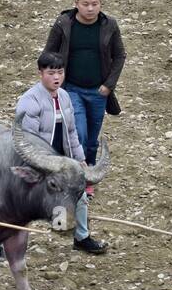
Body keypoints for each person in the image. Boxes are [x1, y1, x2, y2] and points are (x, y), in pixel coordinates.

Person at [15, 51, 107, 255]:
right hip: (40, 162)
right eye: (51, 73)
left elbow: (71, 132)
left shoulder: (64, 96)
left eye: (60, 72)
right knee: (18, 204)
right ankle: (3, 242)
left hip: (62, 160)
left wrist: (80, 160)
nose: (56, 77)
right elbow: (29, 141)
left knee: (79, 194)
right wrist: (46, 165)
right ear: (40, 73)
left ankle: (81, 237)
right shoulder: (30, 101)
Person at [41, 0, 126, 192]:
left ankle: (88, 178)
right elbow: (48, 54)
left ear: (100, 4)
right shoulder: (63, 24)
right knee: (78, 133)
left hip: (99, 92)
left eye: (95, 4)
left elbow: (119, 56)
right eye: (85, 4)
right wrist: (55, 82)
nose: (90, 8)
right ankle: (77, 175)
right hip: (72, 90)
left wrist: (108, 85)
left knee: (91, 139)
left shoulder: (110, 25)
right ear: (76, 3)